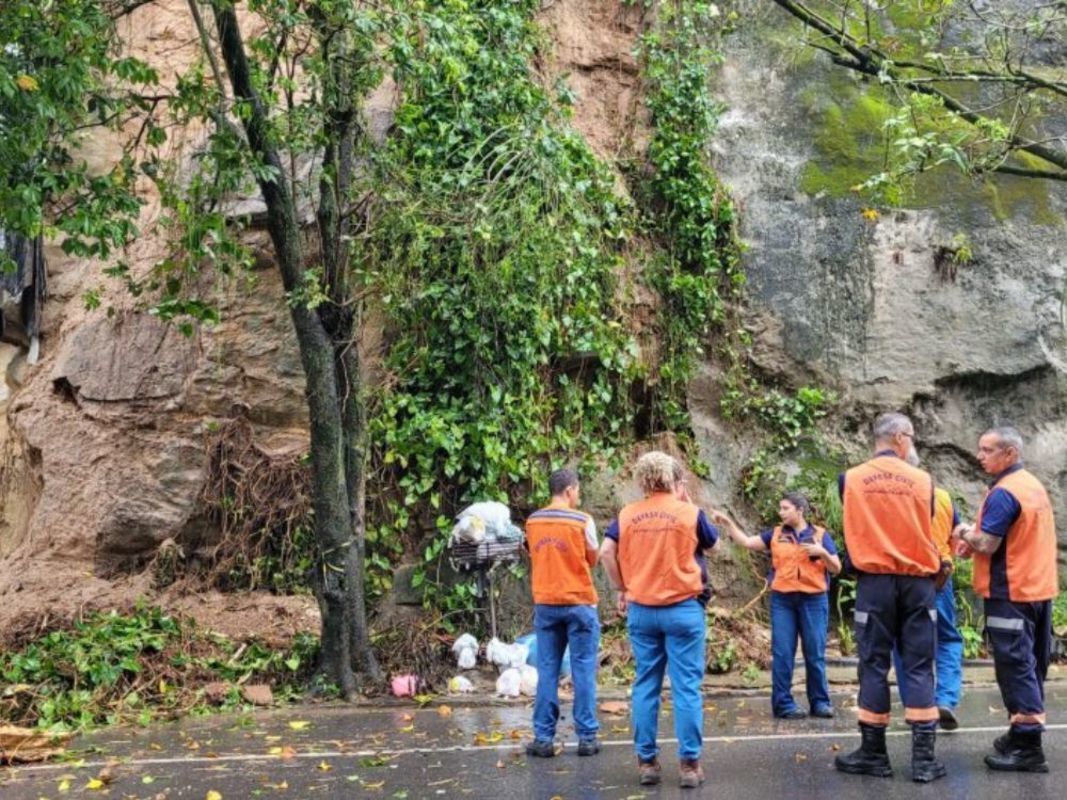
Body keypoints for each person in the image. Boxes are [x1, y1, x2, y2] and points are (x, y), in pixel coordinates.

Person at [834, 412, 946, 783]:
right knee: (918, 665)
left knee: (873, 663)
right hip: (918, 583)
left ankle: (874, 754)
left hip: (875, 583)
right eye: (911, 436)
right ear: (899, 438)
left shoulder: (849, 479)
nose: (912, 442)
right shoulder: (924, 481)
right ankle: (924, 761)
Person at [599, 451, 720, 789]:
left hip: (643, 610)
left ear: (642, 480)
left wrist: (621, 587)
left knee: (646, 684)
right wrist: (687, 503)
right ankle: (690, 766)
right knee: (686, 688)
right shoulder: (689, 513)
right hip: (684, 610)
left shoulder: (626, 515)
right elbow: (715, 547)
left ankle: (647, 763)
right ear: (671, 478)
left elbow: (606, 552)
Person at [953, 426, 1057, 772]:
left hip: (1010, 591)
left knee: (1015, 667)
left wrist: (965, 532)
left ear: (1009, 453)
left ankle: (1028, 746)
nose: (979, 456)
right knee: (1030, 664)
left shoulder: (1005, 492)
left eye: (987, 450)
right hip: (1037, 589)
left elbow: (988, 544)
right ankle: (1019, 732)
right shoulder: (1031, 484)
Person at [711, 492, 840, 720]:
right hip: (783, 600)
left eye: (785, 508)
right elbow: (748, 542)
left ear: (799, 510)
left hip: (813, 600)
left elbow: (836, 568)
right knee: (782, 653)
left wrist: (822, 553)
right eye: (780, 508)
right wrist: (728, 524)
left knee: (815, 652)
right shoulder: (776, 533)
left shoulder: (820, 535)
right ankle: (783, 704)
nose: (780, 512)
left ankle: (820, 702)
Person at [523, 468, 601, 758]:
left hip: (546, 603)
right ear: (569, 491)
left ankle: (543, 738)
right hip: (579, 602)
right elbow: (593, 558)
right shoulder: (583, 521)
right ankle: (588, 738)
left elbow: (533, 552)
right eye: (577, 491)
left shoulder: (532, 521)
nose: (578, 496)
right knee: (582, 669)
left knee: (547, 670)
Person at [891, 451, 966, 731]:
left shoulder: (893, 497)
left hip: (902, 578)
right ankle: (945, 698)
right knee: (947, 638)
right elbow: (955, 531)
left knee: (903, 641)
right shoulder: (943, 496)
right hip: (939, 577)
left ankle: (915, 704)